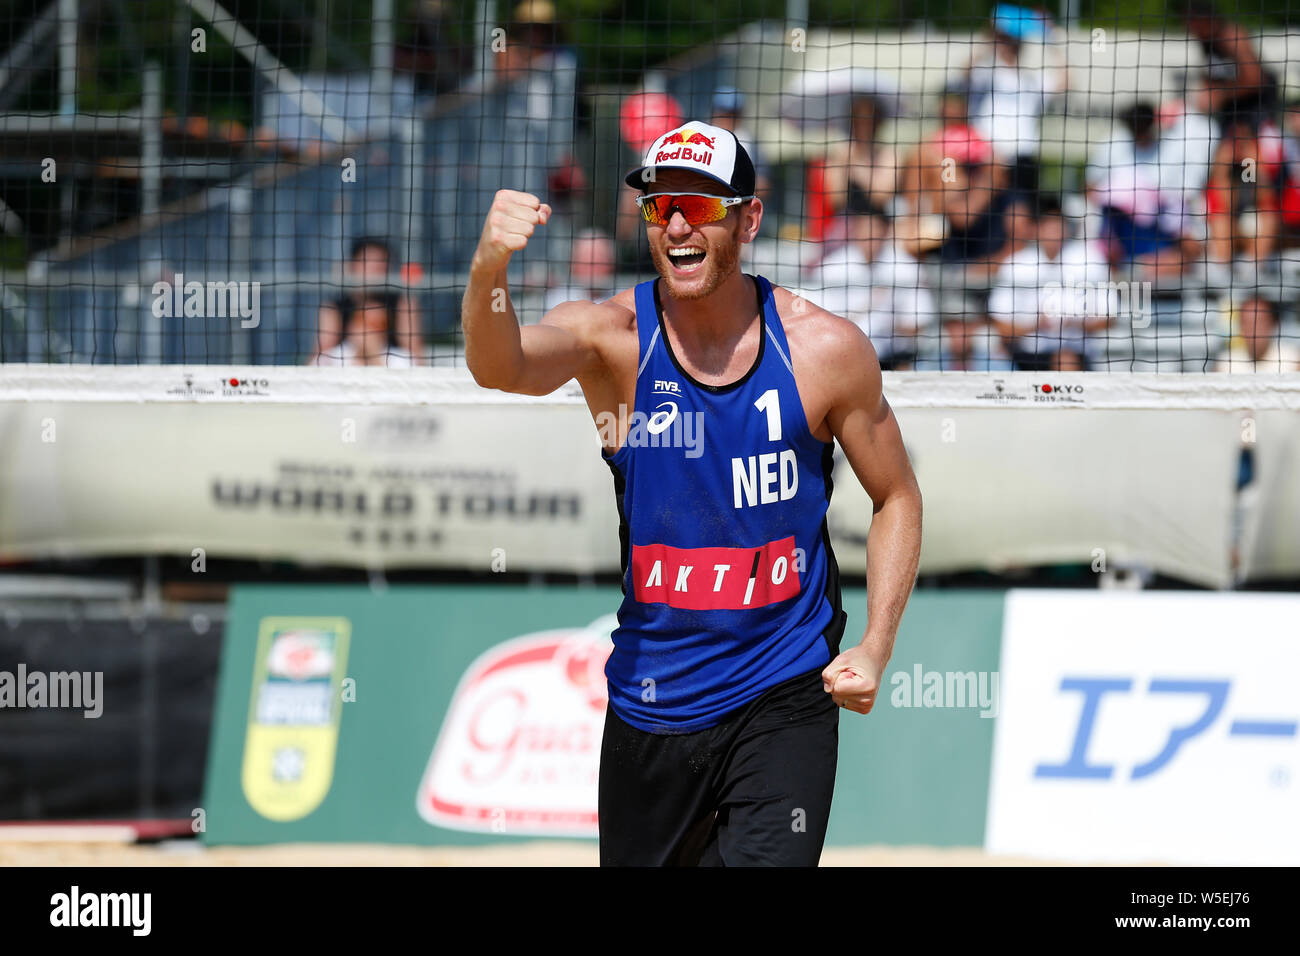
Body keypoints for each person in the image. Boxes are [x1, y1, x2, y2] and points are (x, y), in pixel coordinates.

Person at [462, 120, 923, 866]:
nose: (677, 224)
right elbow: (501, 365)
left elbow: (896, 495)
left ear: (749, 218)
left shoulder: (823, 349)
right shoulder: (612, 338)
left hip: (786, 687)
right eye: (660, 206)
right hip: (654, 701)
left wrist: (876, 644)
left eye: (701, 207)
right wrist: (489, 269)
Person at [805, 199, 937, 369]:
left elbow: (918, 324)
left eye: (875, 231)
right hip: (844, 358)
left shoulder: (908, 268)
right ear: (855, 231)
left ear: (886, 231)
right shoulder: (831, 268)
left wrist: (889, 325)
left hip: (894, 359)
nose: (869, 238)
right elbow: (821, 325)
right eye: (865, 230)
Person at [310, 237, 422, 366]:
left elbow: (417, 358)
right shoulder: (333, 309)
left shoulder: (403, 305)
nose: (375, 270)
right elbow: (317, 361)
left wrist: (374, 352)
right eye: (368, 262)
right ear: (353, 265)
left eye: (380, 264)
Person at [1213, 296, 1300, 371]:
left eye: (1259, 322)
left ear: (1272, 324)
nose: (1254, 329)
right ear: (1240, 327)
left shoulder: (1293, 360)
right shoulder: (1226, 364)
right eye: (1247, 323)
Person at [543, 229, 617, 310]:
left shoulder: (625, 301)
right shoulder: (556, 301)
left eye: (600, 259)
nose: (593, 269)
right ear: (573, 265)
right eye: (586, 260)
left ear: (611, 263)